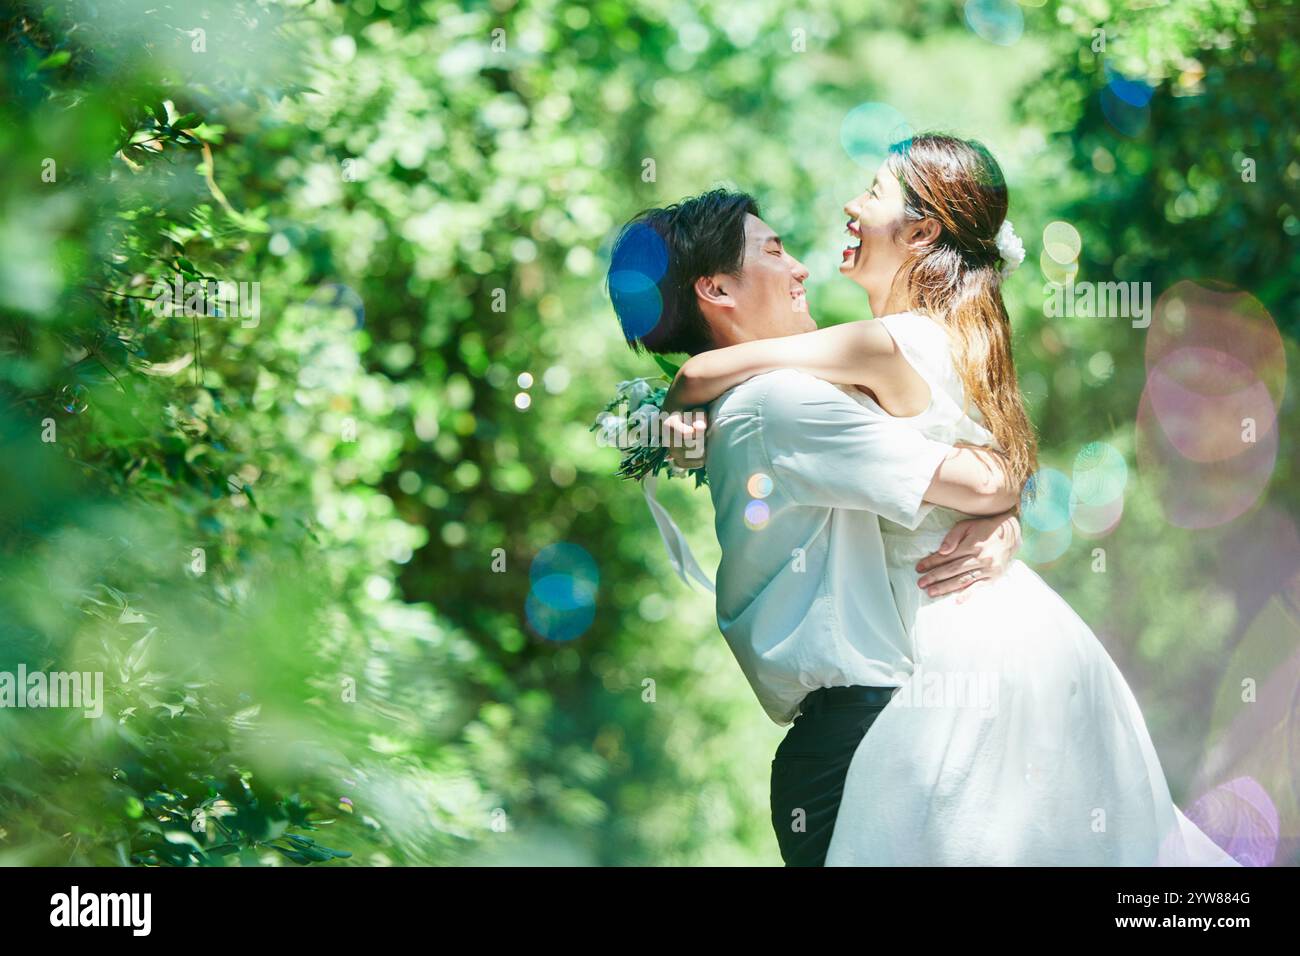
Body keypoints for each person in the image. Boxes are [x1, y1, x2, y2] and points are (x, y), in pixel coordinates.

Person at [659, 134, 1240, 865]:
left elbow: (993, 477)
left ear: (922, 232)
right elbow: (994, 470)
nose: (851, 206)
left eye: (874, 192)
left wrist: (689, 383)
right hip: (992, 627)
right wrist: (1005, 513)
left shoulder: (886, 342)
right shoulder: (944, 336)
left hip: (961, 638)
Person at [608, 188, 1023, 866]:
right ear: (716, 288)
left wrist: (1003, 522)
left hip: (861, 738)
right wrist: (1002, 506)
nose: (800, 267)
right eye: (774, 251)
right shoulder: (780, 405)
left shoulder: (762, 397)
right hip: (855, 750)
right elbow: (985, 482)